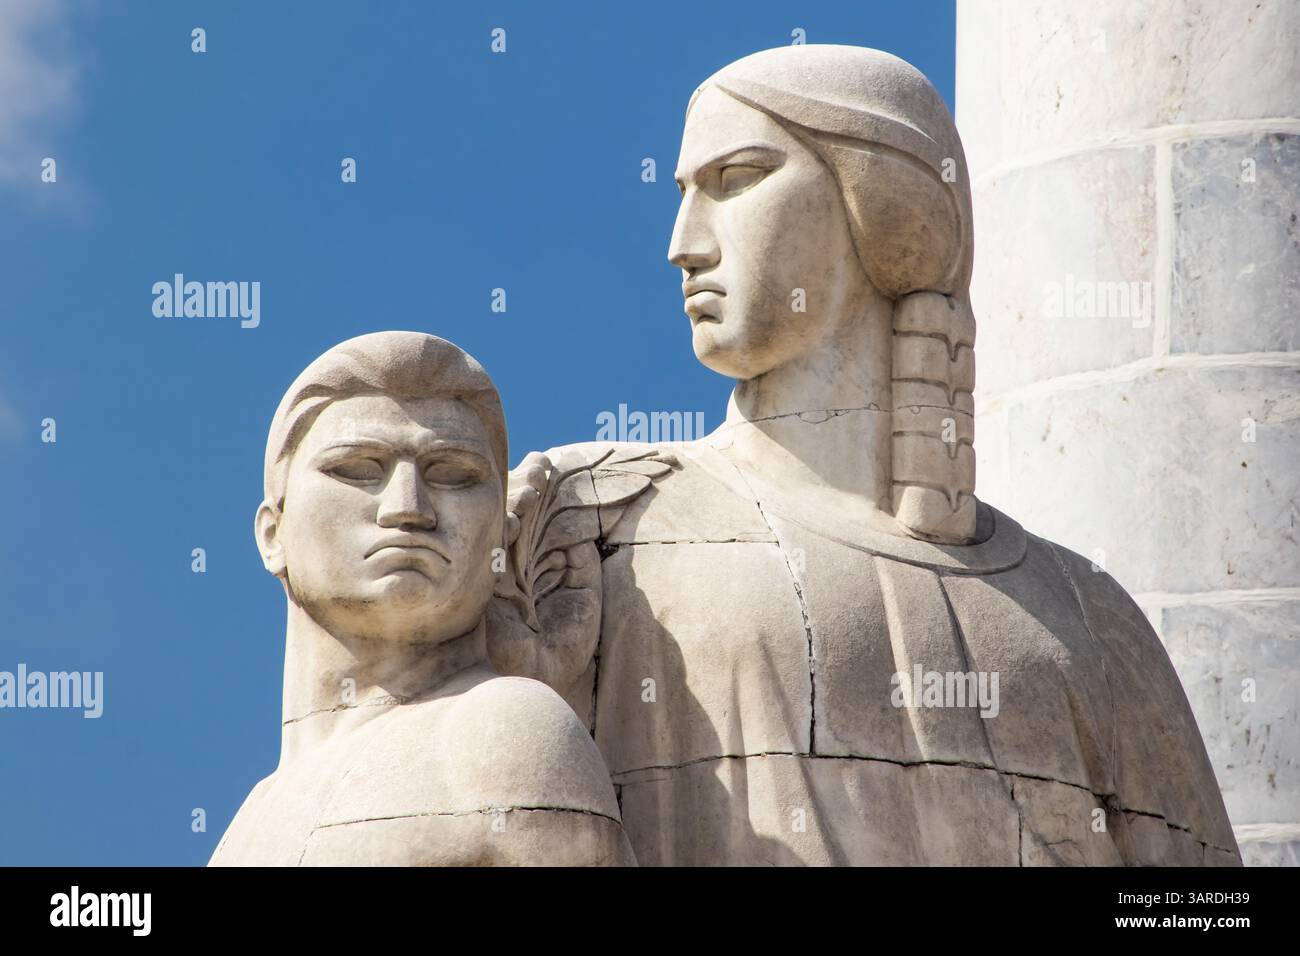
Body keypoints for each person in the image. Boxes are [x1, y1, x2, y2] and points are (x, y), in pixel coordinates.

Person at [491, 46, 1240, 866]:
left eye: (736, 179)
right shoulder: (587, 525)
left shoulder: (1089, 615)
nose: (683, 243)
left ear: (883, 201)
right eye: (683, 193)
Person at [210, 332, 634, 866]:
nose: (407, 508)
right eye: (357, 469)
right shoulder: (250, 820)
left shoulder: (508, 730)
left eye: (455, 476)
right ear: (274, 533)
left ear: (502, 538)